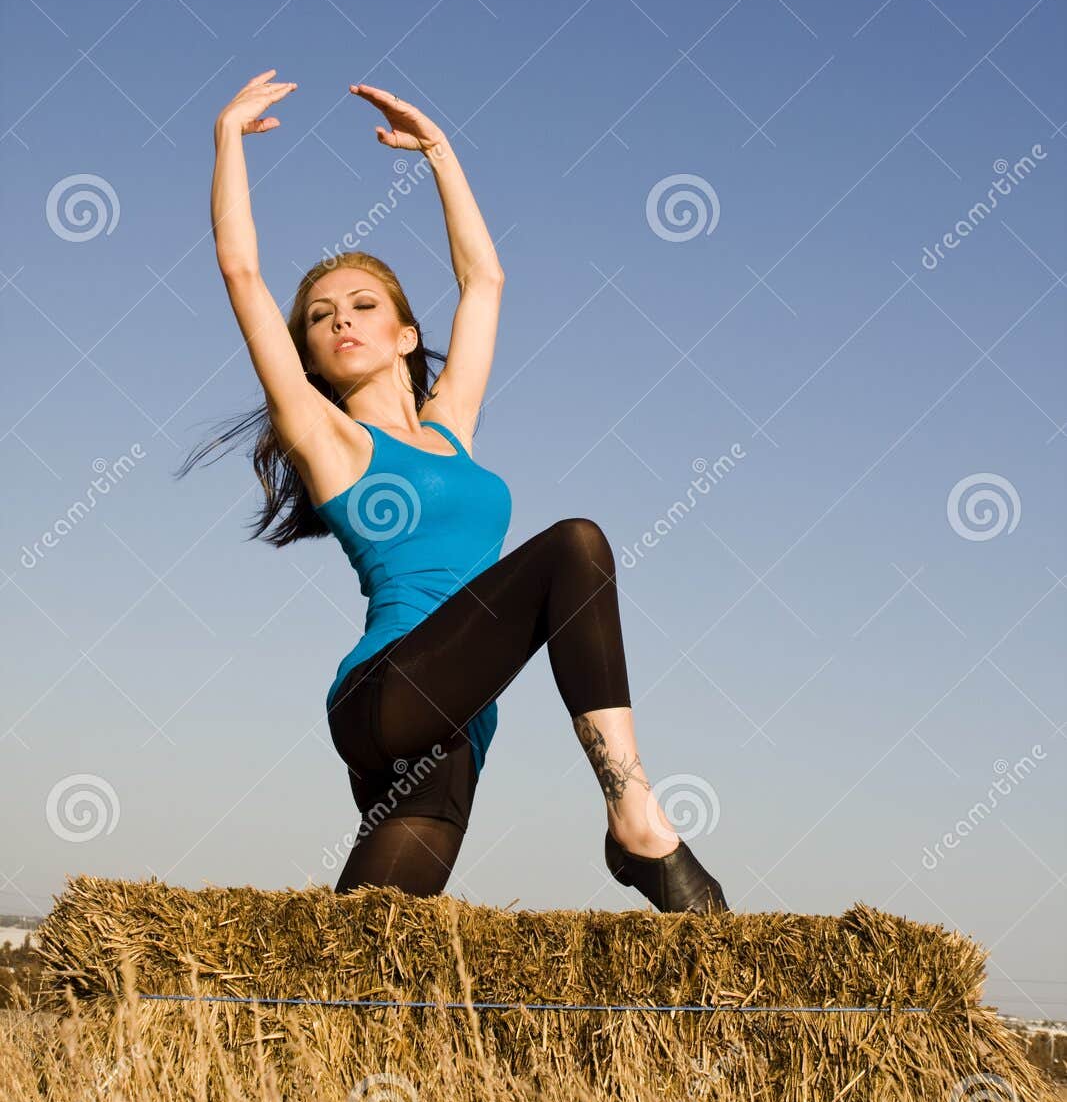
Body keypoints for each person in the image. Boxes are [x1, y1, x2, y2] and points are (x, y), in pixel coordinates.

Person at [180, 69, 729, 915]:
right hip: (388, 693)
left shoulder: (449, 431)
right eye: (321, 317)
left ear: (405, 336)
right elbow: (241, 272)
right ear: (314, 359)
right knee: (573, 548)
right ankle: (635, 819)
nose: (339, 321)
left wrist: (438, 152)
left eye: (362, 305)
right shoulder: (327, 439)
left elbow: (485, 282)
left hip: (456, 725)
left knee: (368, 942)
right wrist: (225, 141)